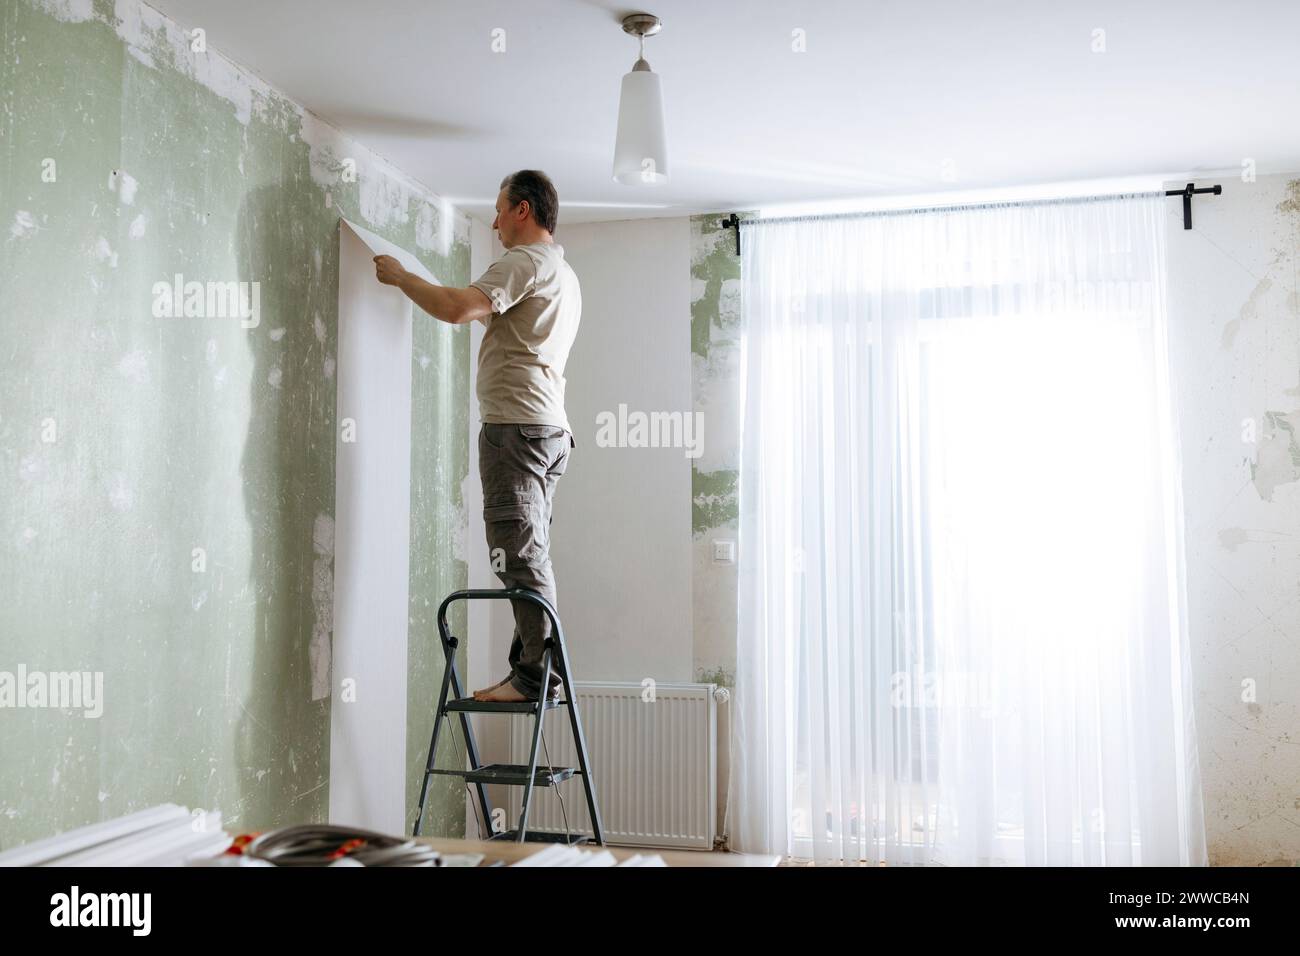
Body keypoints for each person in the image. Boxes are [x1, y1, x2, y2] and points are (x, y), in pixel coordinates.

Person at [372, 169, 581, 702]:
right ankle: (532, 672)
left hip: (516, 428)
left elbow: (458, 309)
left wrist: (400, 277)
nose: (494, 223)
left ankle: (535, 678)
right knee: (528, 551)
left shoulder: (524, 261)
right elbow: (506, 328)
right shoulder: (562, 272)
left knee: (518, 554)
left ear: (523, 211)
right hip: (546, 429)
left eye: (499, 210)